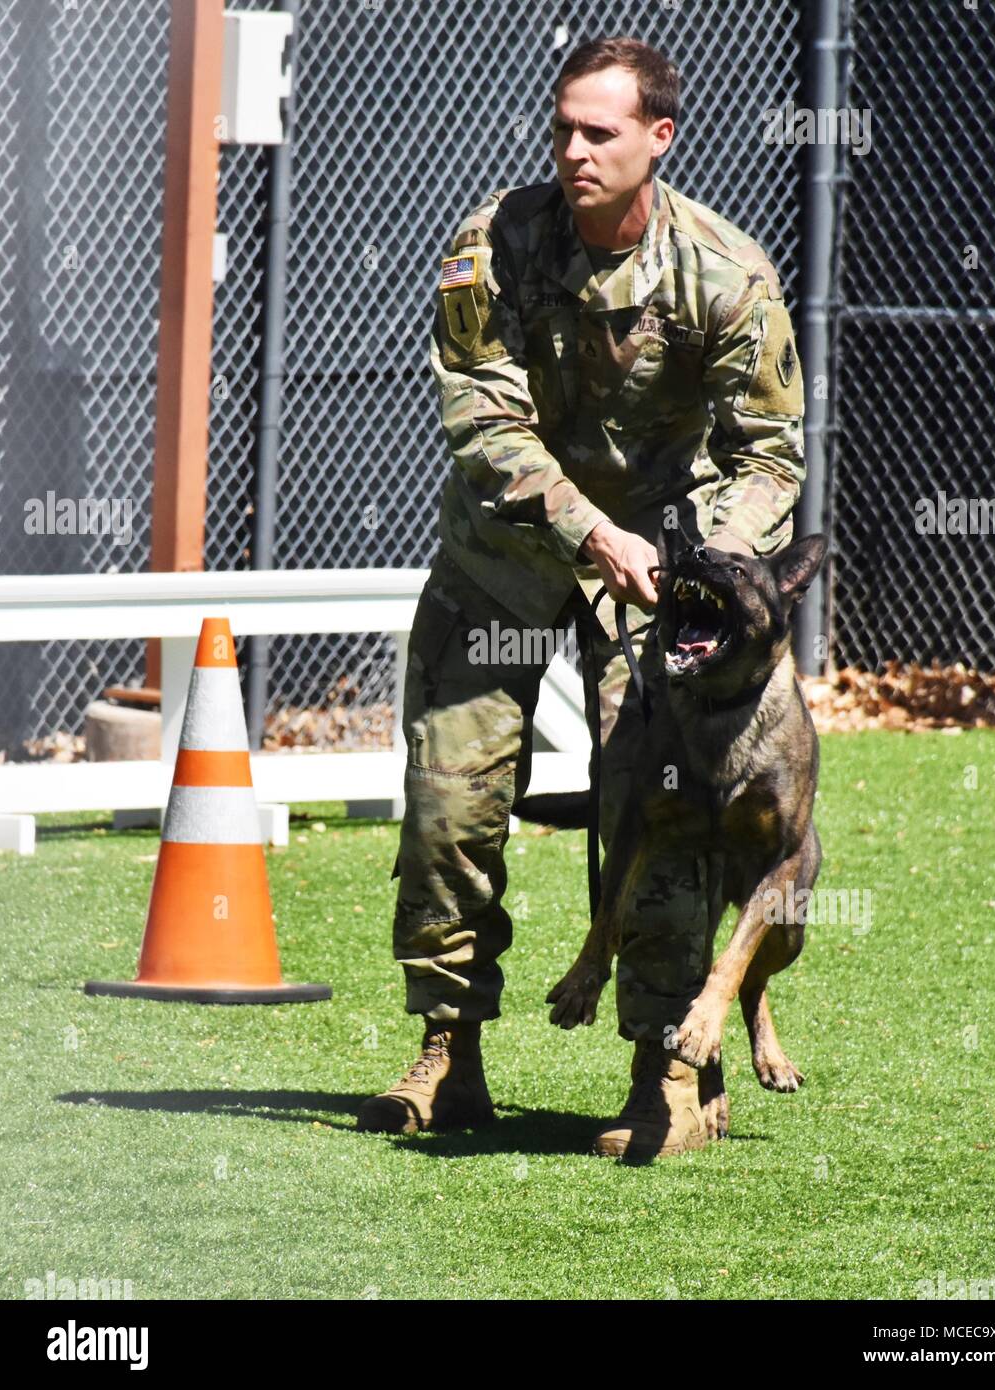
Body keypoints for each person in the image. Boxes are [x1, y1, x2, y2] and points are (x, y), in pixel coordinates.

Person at [357, 35, 806, 1156]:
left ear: (659, 137)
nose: (571, 150)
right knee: (449, 798)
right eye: (561, 128)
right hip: (504, 561)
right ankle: (448, 1051)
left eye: (597, 132)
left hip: (657, 583)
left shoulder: (726, 275)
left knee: (652, 803)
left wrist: (707, 561)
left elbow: (770, 458)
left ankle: (667, 1070)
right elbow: (480, 418)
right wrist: (588, 528)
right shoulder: (495, 243)